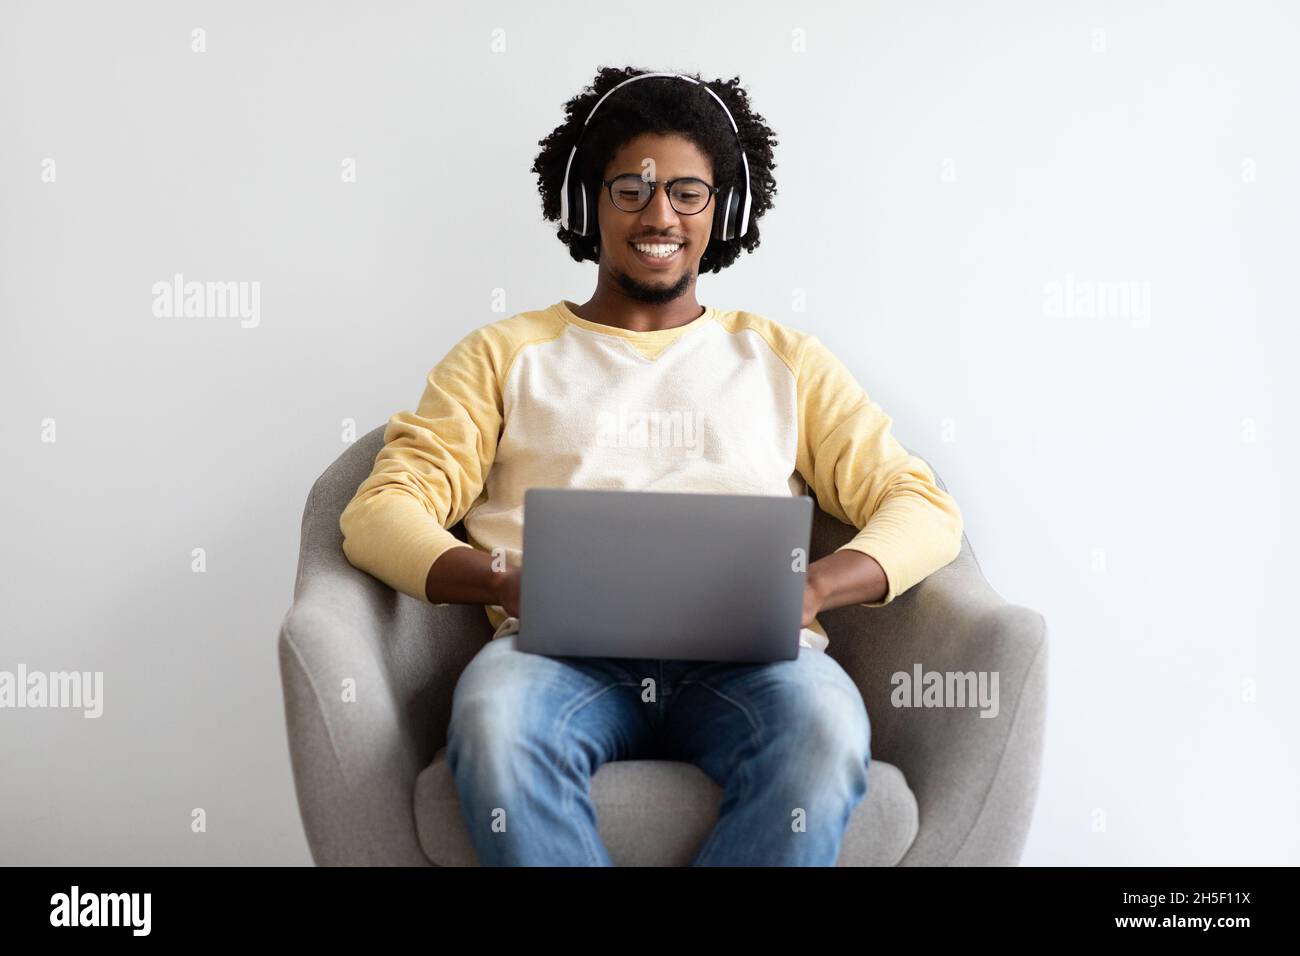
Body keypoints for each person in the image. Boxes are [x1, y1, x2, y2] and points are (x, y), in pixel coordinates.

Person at [338, 66, 964, 866]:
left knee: (825, 732)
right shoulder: (502, 355)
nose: (659, 214)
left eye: (687, 192)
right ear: (586, 204)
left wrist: (813, 587)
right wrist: (499, 577)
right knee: (495, 727)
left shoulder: (784, 360)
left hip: (757, 663)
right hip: (553, 658)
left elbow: (921, 503)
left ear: (724, 209)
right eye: (630, 189)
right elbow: (379, 511)